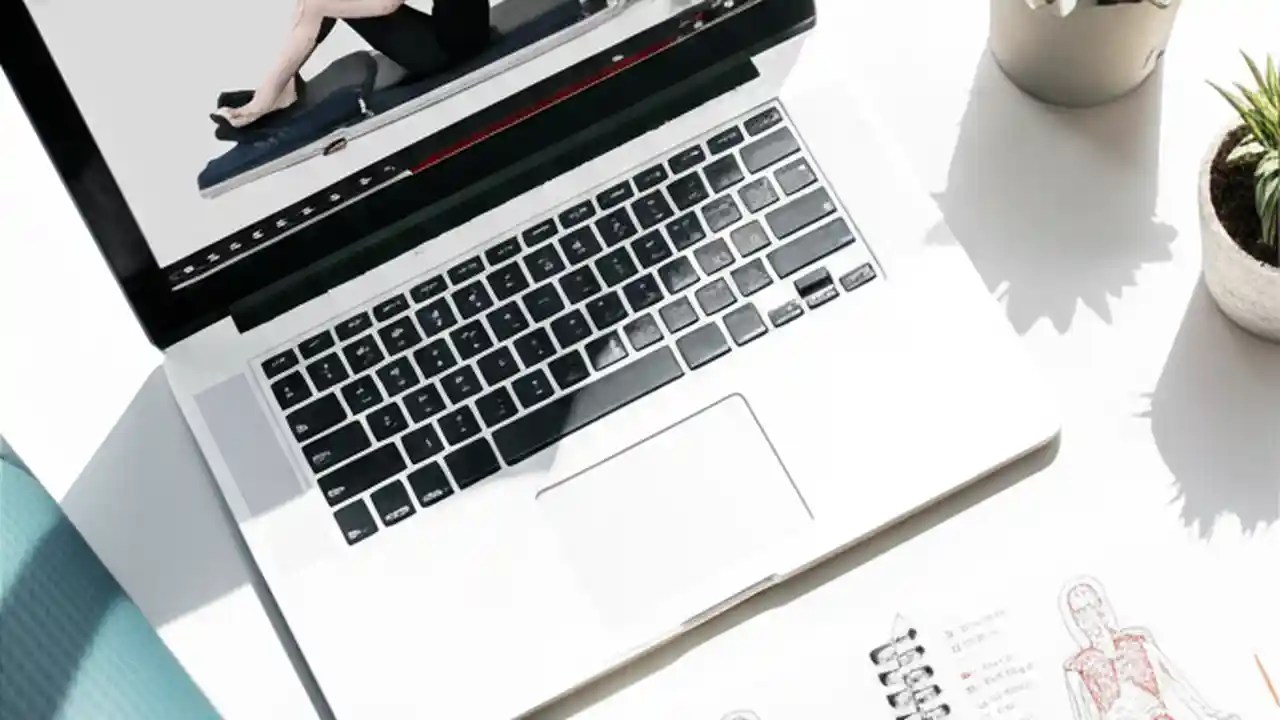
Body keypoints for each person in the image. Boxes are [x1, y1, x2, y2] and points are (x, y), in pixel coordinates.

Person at [217, 0, 490, 128]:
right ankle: (279, 89)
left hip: (448, 52)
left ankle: (268, 99)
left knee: (317, 4)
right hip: (460, 35)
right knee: (317, 2)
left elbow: (386, 5)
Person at [1059, 578, 1238, 720]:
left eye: (1091, 606)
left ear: (1101, 606)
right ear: (1076, 620)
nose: (1090, 617)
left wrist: (1209, 714)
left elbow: (1176, 681)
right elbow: (1084, 714)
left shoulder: (1138, 642)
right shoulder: (1078, 668)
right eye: (1081, 612)